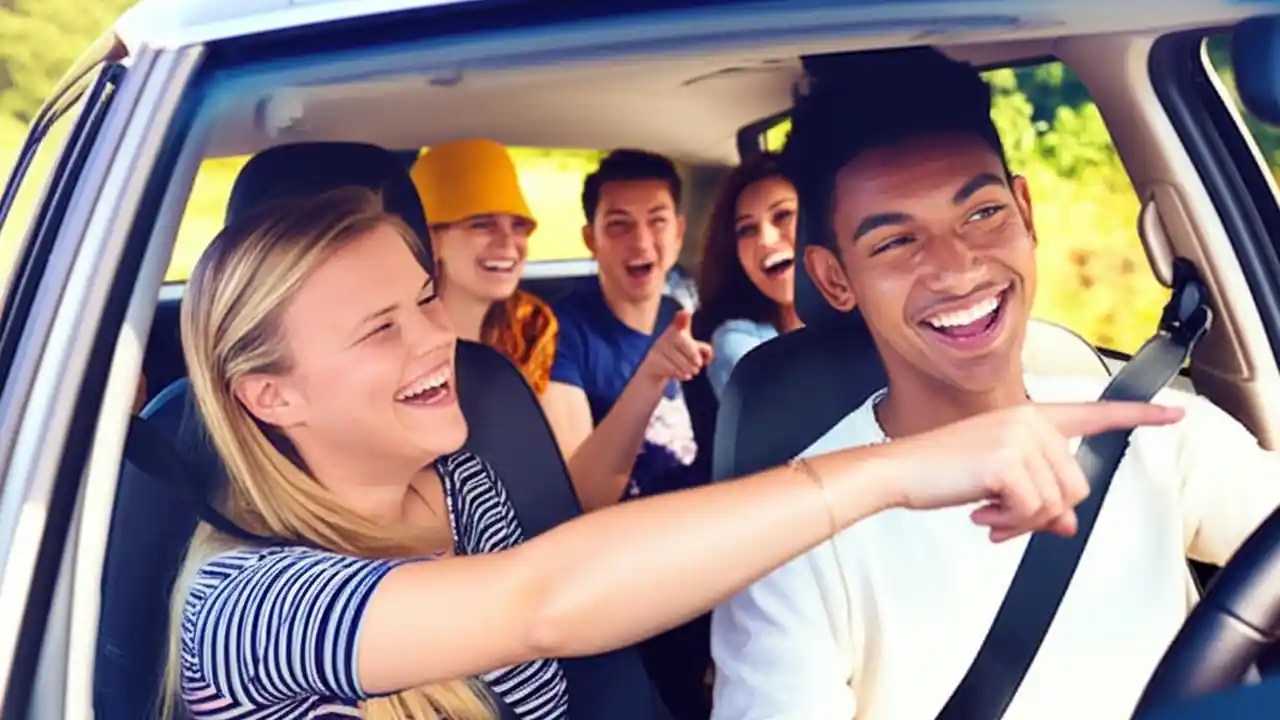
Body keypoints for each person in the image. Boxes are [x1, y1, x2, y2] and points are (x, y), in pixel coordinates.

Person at [162, 185, 1176, 720]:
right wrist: (893, 471)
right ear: (269, 394)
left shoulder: (459, 480)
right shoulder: (239, 609)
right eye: (378, 329)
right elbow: (538, 605)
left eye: (424, 298)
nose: (439, 340)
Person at [709, 48, 1280, 720]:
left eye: (981, 214)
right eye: (895, 242)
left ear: (1025, 211)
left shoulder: (1151, 431)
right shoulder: (792, 539)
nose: (956, 269)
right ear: (835, 279)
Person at [542, 149, 702, 511]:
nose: (642, 242)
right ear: (591, 239)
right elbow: (580, 498)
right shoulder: (560, 333)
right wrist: (651, 376)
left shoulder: (679, 315)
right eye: (619, 224)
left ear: (678, 233)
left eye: (657, 221)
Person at [410, 139, 558, 394]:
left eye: (519, 226)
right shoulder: (398, 341)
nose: (509, 245)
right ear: (430, 240)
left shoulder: (531, 327)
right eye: (481, 225)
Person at [693, 152, 804, 399]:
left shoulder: (874, 318)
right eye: (747, 229)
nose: (765, 240)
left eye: (783, 215)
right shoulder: (737, 344)